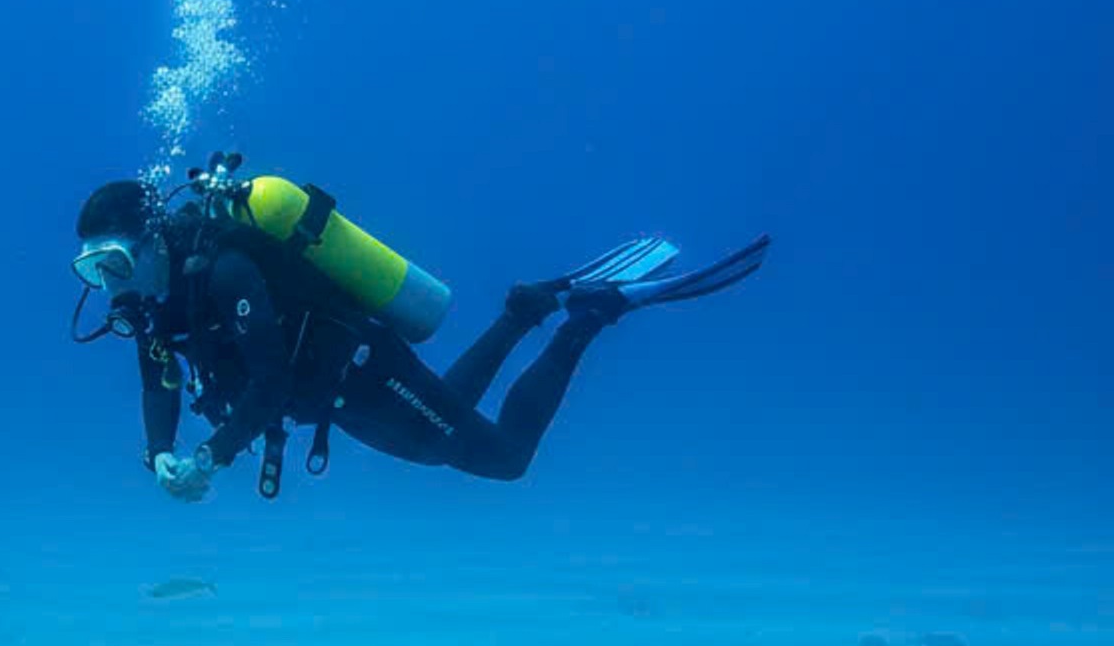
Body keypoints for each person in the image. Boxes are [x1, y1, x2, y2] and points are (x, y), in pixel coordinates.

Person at [69, 153, 770, 503]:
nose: (111, 285)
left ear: (152, 238)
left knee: (502, 459)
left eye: (116, 262)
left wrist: (212, 457)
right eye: (94, 269)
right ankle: (524, 310)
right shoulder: (156, 303)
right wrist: (159, 448)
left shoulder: (223, 273)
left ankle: (584, 318)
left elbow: (270, 377)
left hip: (360, 369)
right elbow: (157, 376)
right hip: (337, 398)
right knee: (447, 439)